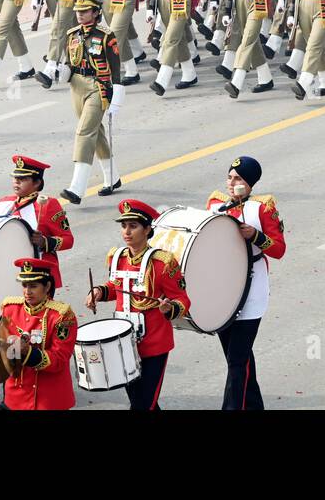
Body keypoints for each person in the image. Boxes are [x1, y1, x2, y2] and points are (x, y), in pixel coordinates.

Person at [85, 200, 191, 411]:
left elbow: (183, 299)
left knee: (143, 404)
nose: (127, 231)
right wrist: (98, 291)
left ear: (147, 229)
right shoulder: (117, 257)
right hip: (123, 344)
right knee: (141, 401)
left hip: (153, 344)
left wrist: (169, 308)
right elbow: (116, 287)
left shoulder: (163, 262)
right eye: (124, 226)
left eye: (133, 226)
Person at [205, 156, 286, 410]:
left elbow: (279, 249)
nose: (231, 183)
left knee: (237, 361)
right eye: (229, 177)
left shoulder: (263, 208)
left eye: (238, 179)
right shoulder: (215, 203)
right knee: (237, 356)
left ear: (250, 184)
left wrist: (256, 236)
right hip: (224, 286)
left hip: (252, 288)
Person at [61, 0, 123, 204]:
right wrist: (61, 70)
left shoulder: (106, 35)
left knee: (84, 132)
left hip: (98, 86)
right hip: (76, 86)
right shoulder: (72, 35)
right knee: (96, 134)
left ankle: (77, 188)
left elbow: (115, 68)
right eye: (78, 11)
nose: (80, 14)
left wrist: (117, 97)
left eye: (85, 11)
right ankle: (112, 177)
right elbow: (69, 61)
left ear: (96, 13)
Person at [0, 257, 77, 410]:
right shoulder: (10, 309)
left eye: (33, 286)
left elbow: (59, 359)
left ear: (47, 287)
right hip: (17, 395)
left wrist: (28, 353)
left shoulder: (62, 316)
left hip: (49, 398)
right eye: (25, 285)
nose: (27, 292)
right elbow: (2, 344)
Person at [0, 155, 74, 286]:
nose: (16, 182)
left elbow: (68, 240)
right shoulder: (5, 202)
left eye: (23, 179)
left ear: (37, 183)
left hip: (40, 275)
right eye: (15, 178)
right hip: (9, 270)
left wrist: (44, 242)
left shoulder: (48, 204)